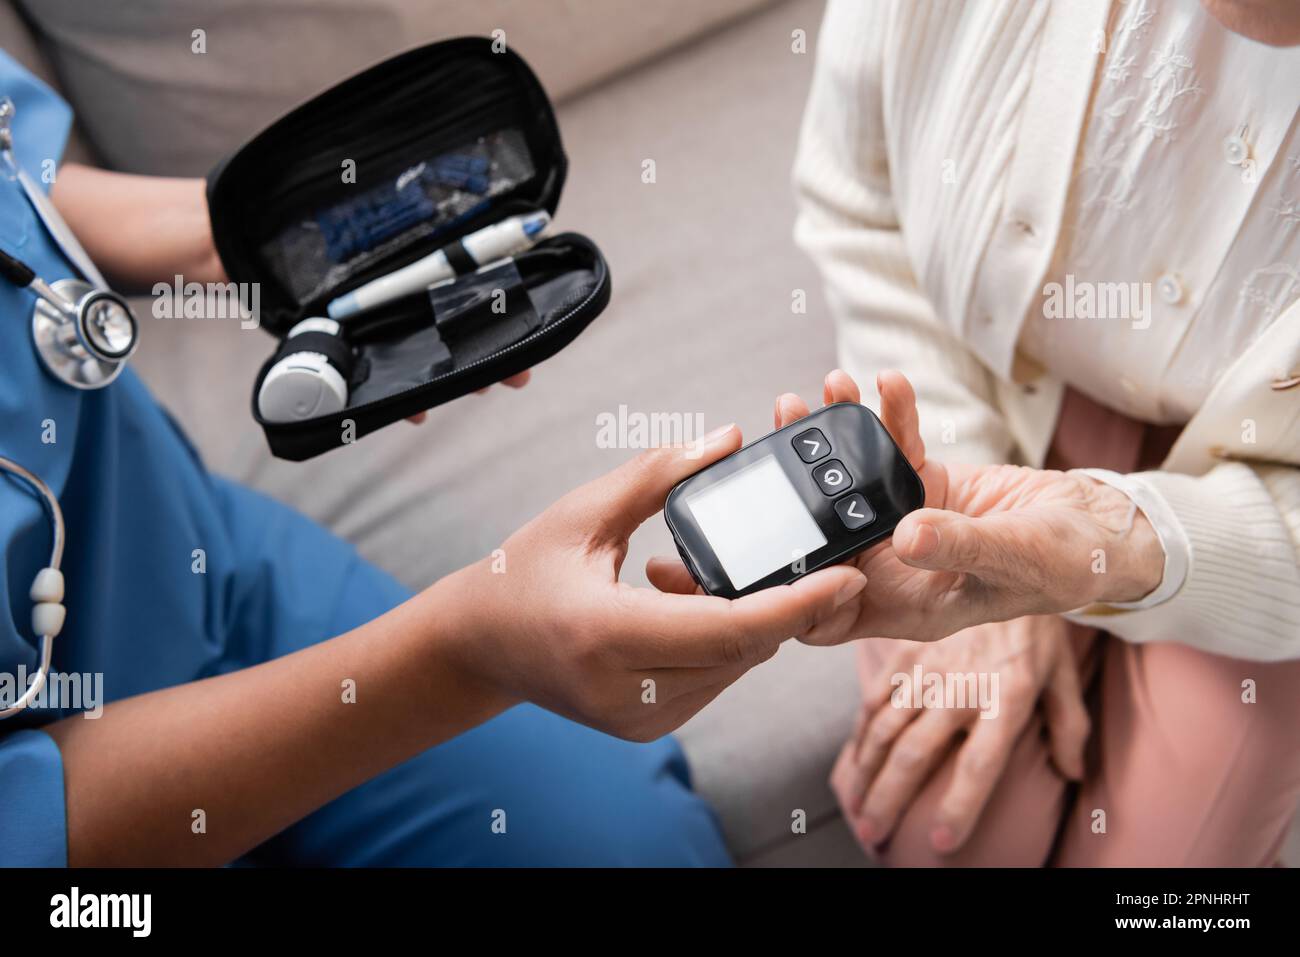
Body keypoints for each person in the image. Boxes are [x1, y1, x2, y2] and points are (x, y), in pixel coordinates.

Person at [0, 48, 874, 867]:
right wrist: (465, 652)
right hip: (69, 803)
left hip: (193, 556)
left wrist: (263, 242)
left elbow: (20, 175)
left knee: (638, 840)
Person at [791, 0, 1300, 865]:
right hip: (983, 393)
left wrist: (1122, 546)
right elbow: (860, 202)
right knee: (946, 836)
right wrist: (970, 541)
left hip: (1265, 499)